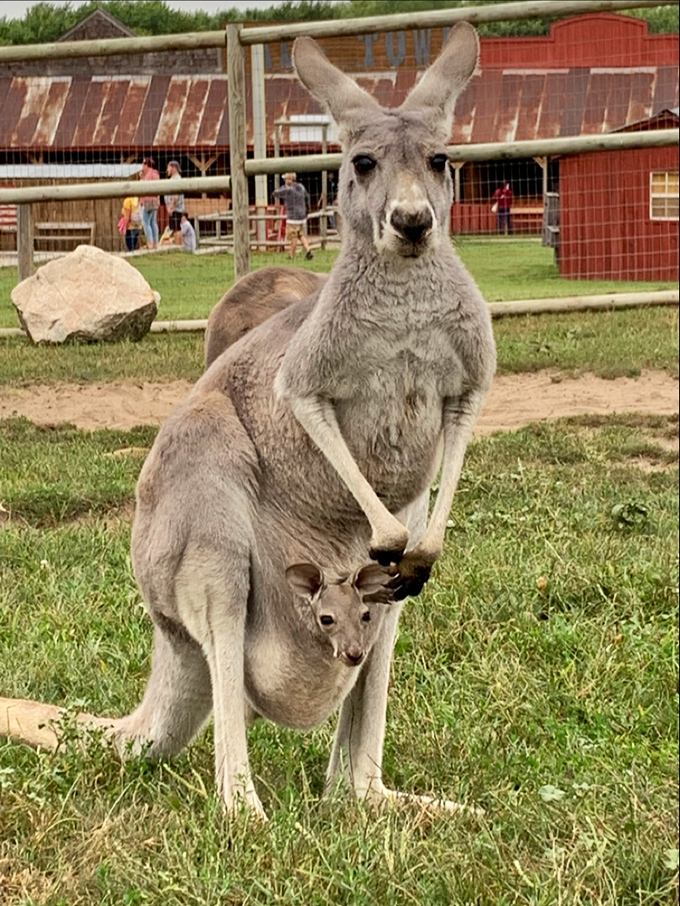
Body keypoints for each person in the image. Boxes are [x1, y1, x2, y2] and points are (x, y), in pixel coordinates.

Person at [273, 172, 314, 260]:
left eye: (286, 179)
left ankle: (291, 255)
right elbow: (307, 197)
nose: (285, 181)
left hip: (292, 217)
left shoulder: (288, 190)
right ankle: (308, 249)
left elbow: (275, 193)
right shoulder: (301, 187)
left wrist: (283, 187)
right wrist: (307, 211)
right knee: (300, 234)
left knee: (293, 236)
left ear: (290, 179)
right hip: (302, 216)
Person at [139, 157, 160, 250]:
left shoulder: (147, 175)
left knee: (146, 222)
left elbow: (144, 187)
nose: (142, 167)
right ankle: (155, 242)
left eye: (143, 165)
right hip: (155, 200)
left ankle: (150, 243)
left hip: (148, 200)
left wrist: (142, 178)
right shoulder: (156, 174)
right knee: (153, 222)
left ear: (146, 165)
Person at [164, 160, 185, 245]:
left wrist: (171, 207)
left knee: (177, 228)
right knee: (175, 227)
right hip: (175, 208)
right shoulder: (174, 179)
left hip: (176, 209)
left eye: (168, 168)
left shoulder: (176, 180)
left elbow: (176, 195)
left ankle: (178, 245)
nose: (167, 170)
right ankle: (178, 245)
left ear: (173, 168)